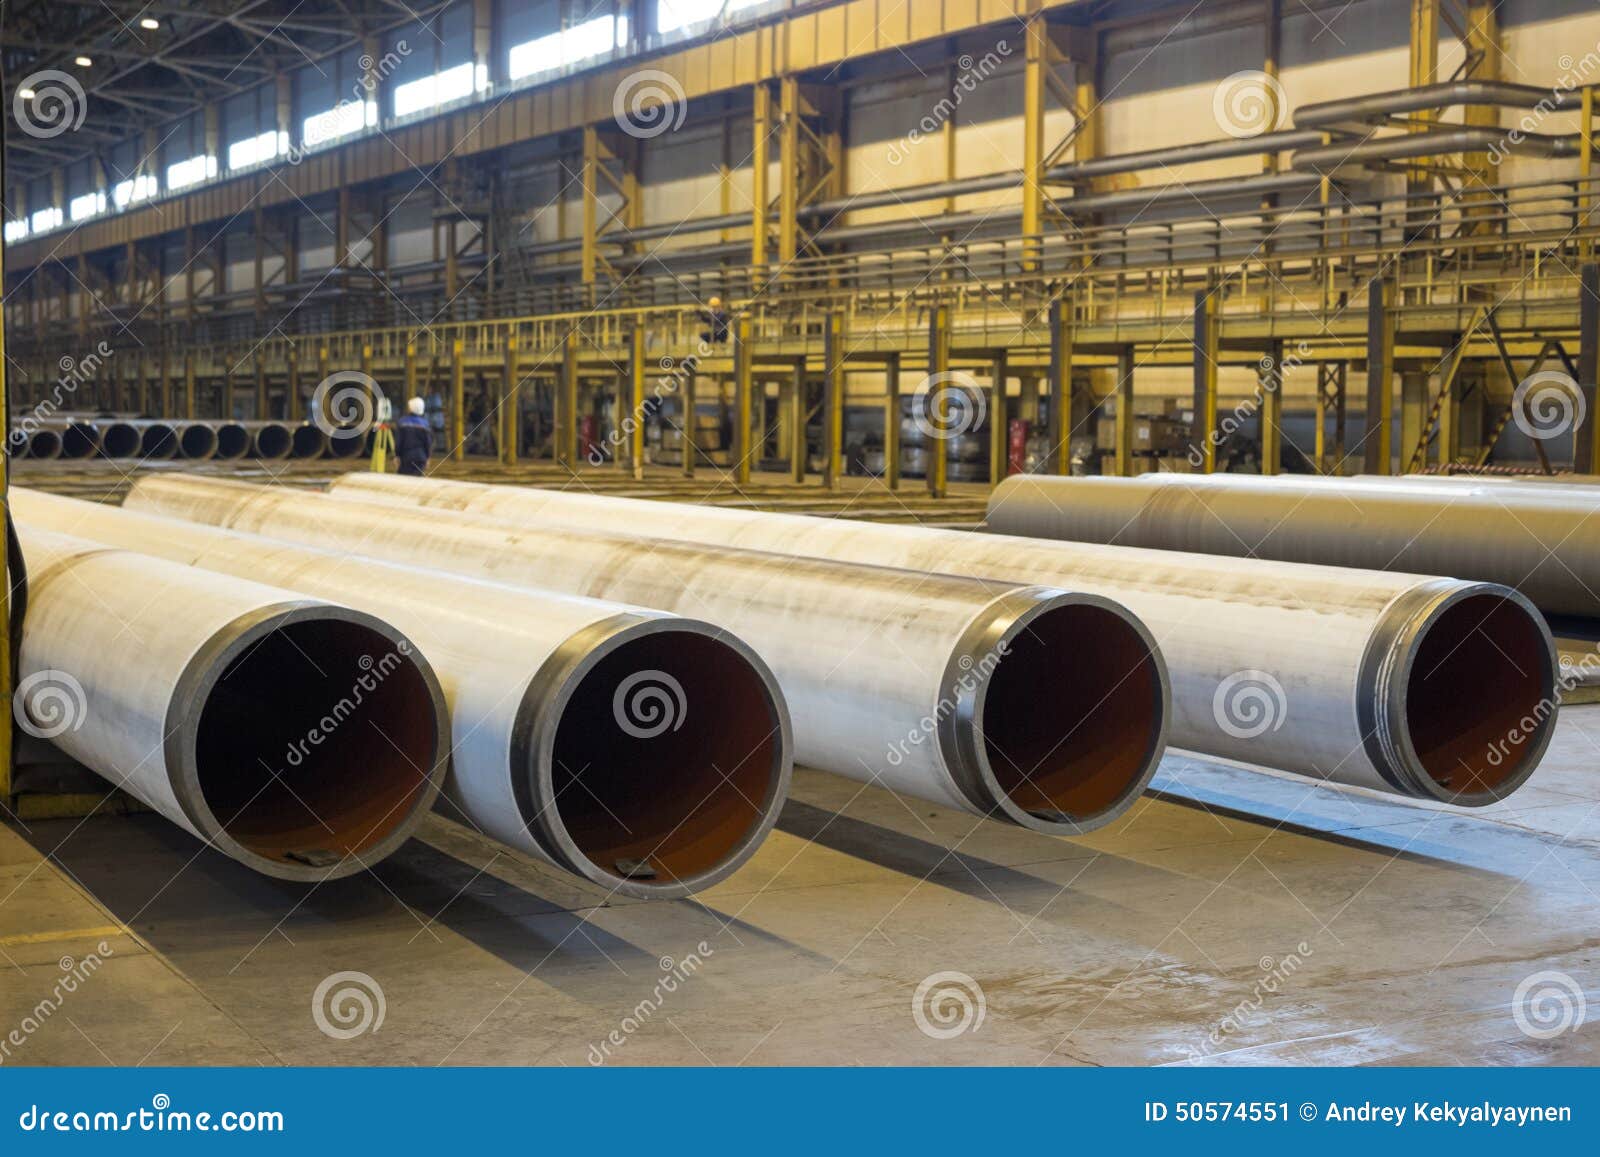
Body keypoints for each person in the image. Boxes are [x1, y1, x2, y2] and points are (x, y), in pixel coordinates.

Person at [394, 396, 433, 476]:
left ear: (410, 408)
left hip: (405, 458)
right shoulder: (425, 424)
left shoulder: (402, 422)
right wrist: (428, 457)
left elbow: (398, 442)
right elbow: (428, 443)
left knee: (404, 482)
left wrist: (397, 456)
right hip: (420, 458)